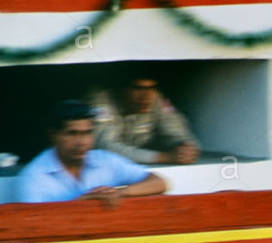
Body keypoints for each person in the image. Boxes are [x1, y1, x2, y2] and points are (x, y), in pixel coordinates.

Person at [15, 100, 167, 205]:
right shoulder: (34, 176)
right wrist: (81, 204)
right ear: (54, 135)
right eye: (72, 133)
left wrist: (121, 193)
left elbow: (159, 183)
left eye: (87, 133)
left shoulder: (105, 160)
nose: (81, 142)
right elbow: (35, 225)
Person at [90, 75, 200, 165]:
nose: (146, 96)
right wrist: (164, 157)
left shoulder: (155, 98)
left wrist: (186, 149)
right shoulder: (101, 100)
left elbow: (178, 131)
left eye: (152, 88)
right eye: (138, 88)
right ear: (120, 89)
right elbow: (104, 147)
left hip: (141, 166)